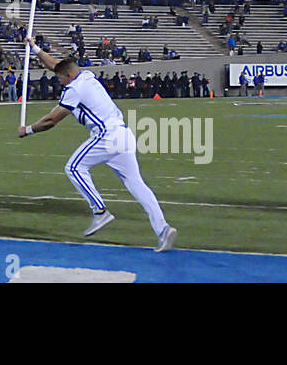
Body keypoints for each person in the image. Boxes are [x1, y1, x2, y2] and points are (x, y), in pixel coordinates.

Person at [19, 38, 177, 251]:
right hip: (123, 134)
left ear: (69, 77)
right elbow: (57, 65)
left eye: (60, 78)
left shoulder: (73, 89)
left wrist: (28, 130)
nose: (59, 81)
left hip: (106, 136)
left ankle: (100, 212)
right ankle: (163, 229)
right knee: (137, 185)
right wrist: (35, 48)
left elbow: (51, 121)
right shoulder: (86, 75)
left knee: (74, 168)